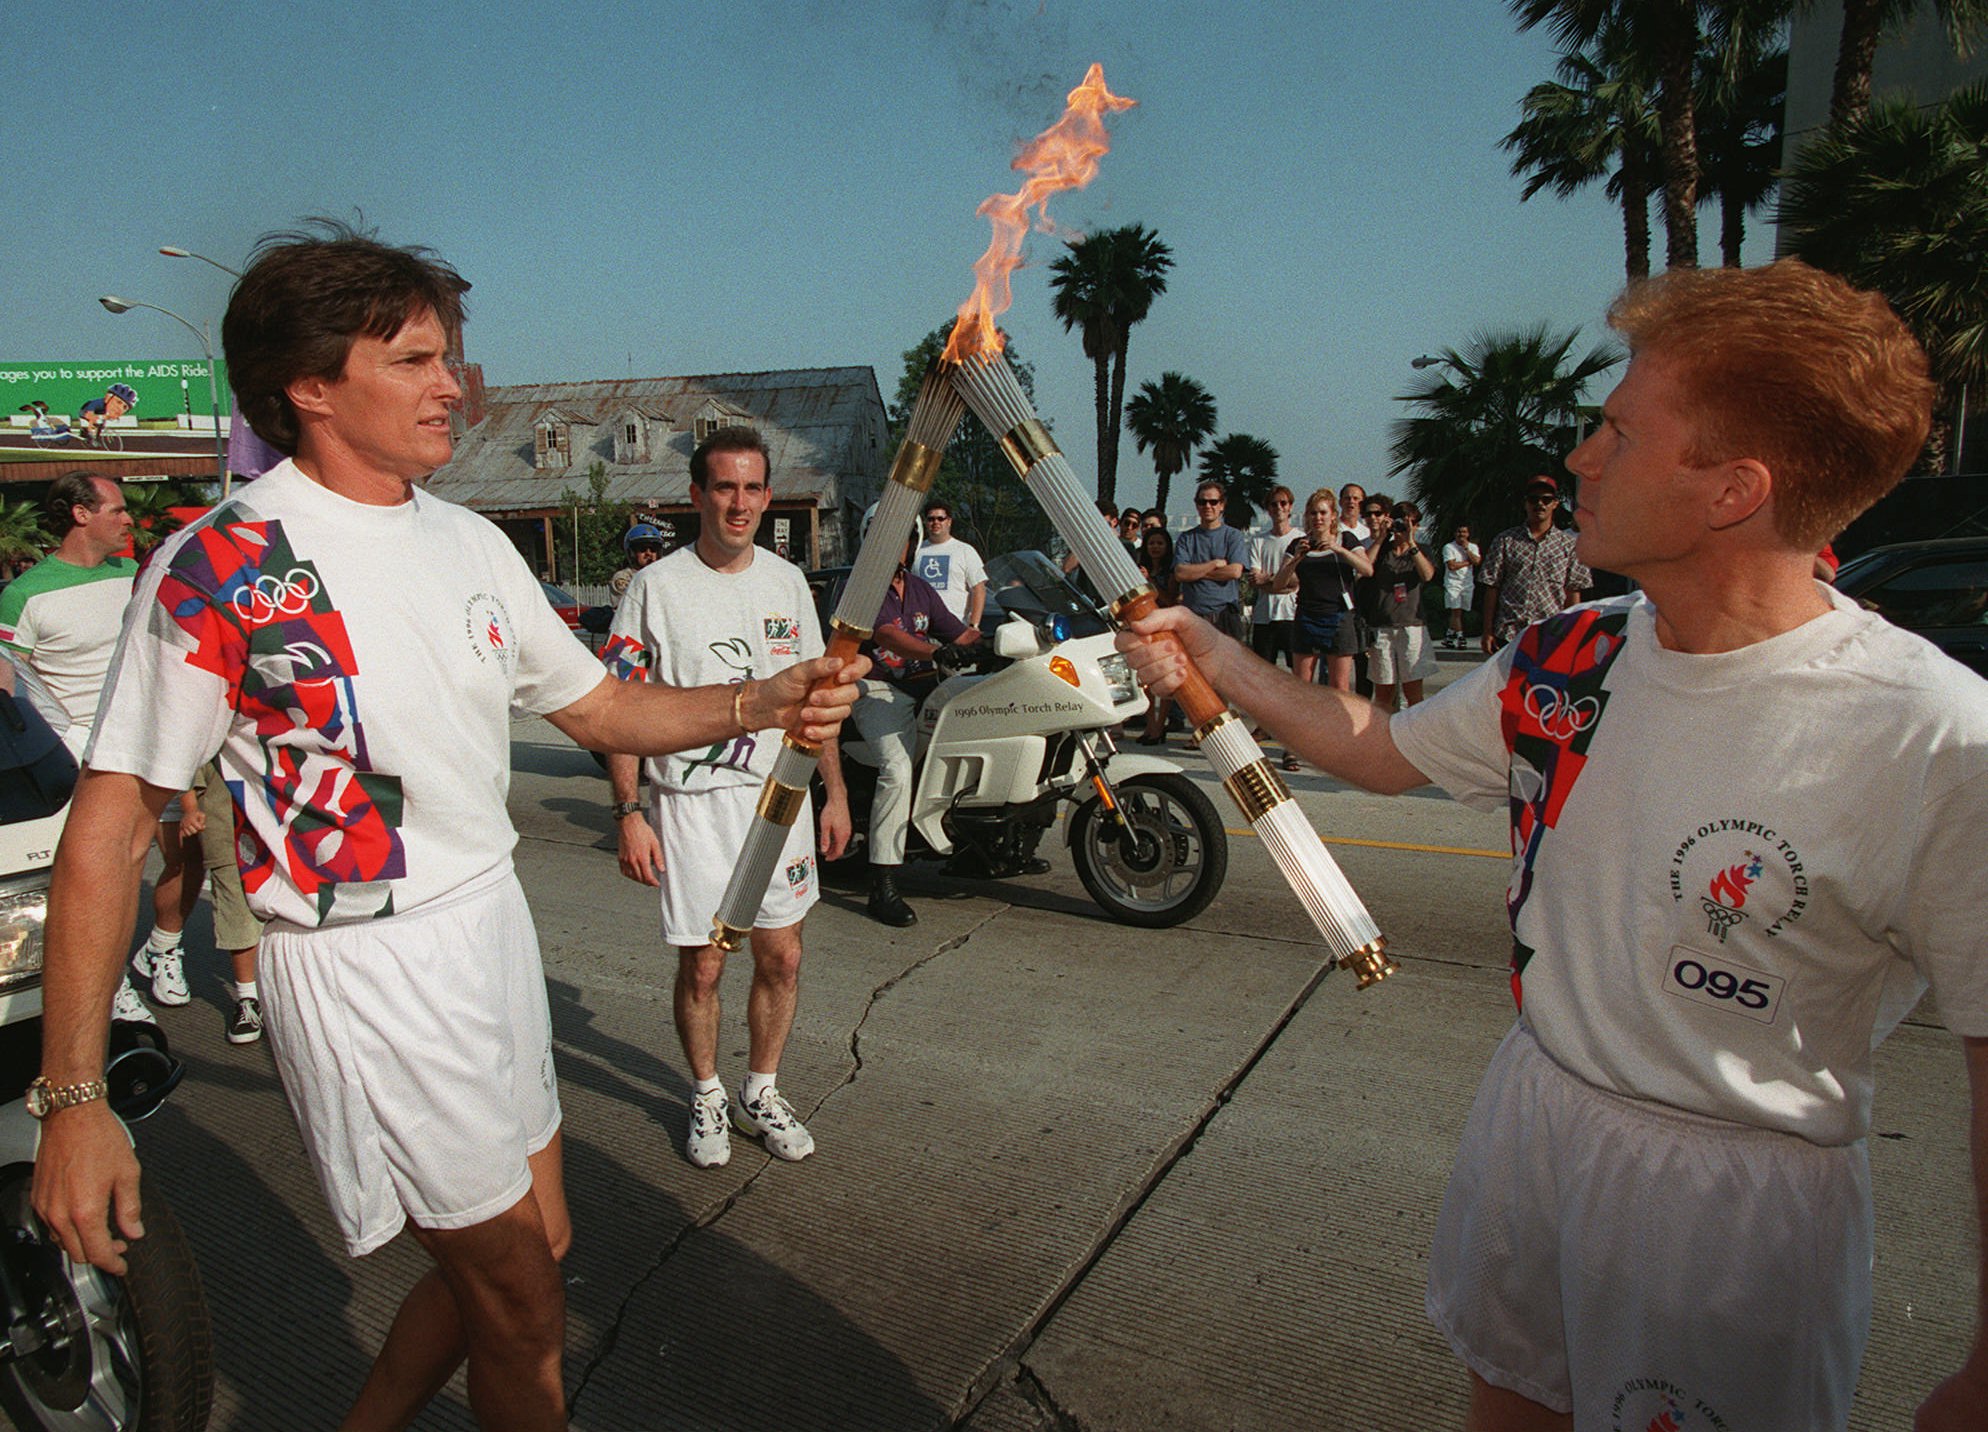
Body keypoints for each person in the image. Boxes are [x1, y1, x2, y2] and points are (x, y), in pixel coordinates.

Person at [1114, 259, 1986, 1432]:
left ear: (1733, 489)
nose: (1578, 457)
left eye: (1618, 432)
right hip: (1537, 1111)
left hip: (1729, 1195)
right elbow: (1385, 749)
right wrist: (1218, 659)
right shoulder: (1571, 653)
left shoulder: (1931, 736)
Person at [27, 222, 863, 1432]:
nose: (452, 387)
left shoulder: (468, 540)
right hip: (362, 963)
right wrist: (74, 1096)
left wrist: (760, 700)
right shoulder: (222, 567)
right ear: (310, 387)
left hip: (487, 928)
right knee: (521, 1300)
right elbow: (109, 831)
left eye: (445, 357)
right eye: (413, 361)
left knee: (537, 1251)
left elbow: (600, 705)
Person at [603, 426, 850, 1168]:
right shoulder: (654, 588)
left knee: (783, 957)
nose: (738, 503)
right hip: (692, 804)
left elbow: (819, 701)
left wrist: (835, 793)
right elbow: (617, 705)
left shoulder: (788, 583)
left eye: (751, 488)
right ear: (697, 495)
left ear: (767, 497)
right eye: (723, 487)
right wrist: (629, 811)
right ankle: (707, 1093)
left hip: (781, 797)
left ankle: (760, 1090)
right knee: (705, 967)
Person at [0, 473, 185, 1022]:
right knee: (101, 875)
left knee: (185, 853)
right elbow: (10, 685)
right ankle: (111, 979)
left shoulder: (133, 575)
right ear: (81, 514)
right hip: (77, 753)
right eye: (117, 510)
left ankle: (163, 949)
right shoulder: (22, 594)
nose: (128, 519)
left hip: (150, 736)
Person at [850, 541, 979, 926]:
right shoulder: (863, 586)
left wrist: (999, 642)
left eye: (902, 535)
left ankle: (974, 846)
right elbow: (886, 635)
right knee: (897, 769)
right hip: (876, 688)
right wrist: (934, 652)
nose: (895, 543)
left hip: (924, 686)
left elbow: (958, 634)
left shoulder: (920, 587)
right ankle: (883, 884)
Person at [1273, 488, 1372, 706]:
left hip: (1339, 616)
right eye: (1313, 513)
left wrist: (1339, 550)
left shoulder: (1346, 539)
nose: (1318, 518)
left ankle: (1338, 726)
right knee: (1302, 686)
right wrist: (1296, 559)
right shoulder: (1298, 544)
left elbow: (1367, 569)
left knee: (1339, 687)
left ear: (1333, 516)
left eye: (1323, 513)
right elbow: (1279, 583)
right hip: (1307, 617)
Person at [1478, 475, 1591, 653]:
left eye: (1546, 499)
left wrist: (1571, 634)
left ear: (1555, 504)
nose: (1540, 504)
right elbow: (1492, 587)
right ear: (1525, 503)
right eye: (1534, 499)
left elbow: (1573, 592)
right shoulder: (1505, 541)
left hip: (1551, 633)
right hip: (1509, 633)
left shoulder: (1570, 546)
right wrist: (1487, 631)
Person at [1363, 500, 1439, 710]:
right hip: (1382, 626)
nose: (1404, 528)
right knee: (1383, 695)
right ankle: (1383, 729)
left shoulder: (1422, 550)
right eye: (1401, 523)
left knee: (1413, 693)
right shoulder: (1382, 550)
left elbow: (1427, 575)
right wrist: (1382, 537)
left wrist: (1411, 543)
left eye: (1409, 524)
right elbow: (1364, 567)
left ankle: (1413, 729)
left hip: (1412, 626)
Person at [1173, 480, 1249, 643]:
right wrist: (1213, 564)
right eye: (1202, 502)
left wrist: (1195, 573)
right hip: (1194, 616)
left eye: (1213, 502)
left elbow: (1235, 571)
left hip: (1225, 616)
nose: (1208, 506)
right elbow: (1180, 573)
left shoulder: (1233, 536)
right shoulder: (1186, 538)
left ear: (1222, 505)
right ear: (1197, 505)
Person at [1247, 486, 1299, 678]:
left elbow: (1297, 581)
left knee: (1298, 673)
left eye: (1283, 503)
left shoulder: (1300, 539)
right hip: (1264, 616)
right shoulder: (1258, 540)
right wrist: (1284, 582)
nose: (1279, 508)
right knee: (1264, 675)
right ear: (1268, 509)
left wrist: (1269, 578)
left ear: (1290, 507)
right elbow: (1255, 579)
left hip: (1292, 614)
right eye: (1273, 504)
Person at [1134, 525, 1179, 745]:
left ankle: (1160, 725)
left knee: (1166, 678)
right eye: (1151, 543)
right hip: (1145, 625)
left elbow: (1170, 599)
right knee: (1147, 679)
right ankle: (1150, 724)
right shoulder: (1138, 568)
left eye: (1160, 543)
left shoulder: (1171, 571)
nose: (1155, 547)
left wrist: (1150, 581)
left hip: (1165, 625)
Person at [913, 498, 988, 627]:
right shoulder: (916, 551)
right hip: (921, 626)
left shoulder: (965, 550)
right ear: (925, 522)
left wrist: (974, 625)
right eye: (931, 519)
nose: (936, 522)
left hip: (955, 626)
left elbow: (979, 590)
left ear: (949, 521)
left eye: (940, 518)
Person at [1440, 523, 1481, 649]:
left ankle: (1449, 635)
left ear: (1468, 534)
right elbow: (1452, 566)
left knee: (1459, 612)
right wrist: (1468, 562)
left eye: (1464, 532)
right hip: (1453, 583)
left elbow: (1477, 561)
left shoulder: (1473, 547)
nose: (1461, 535)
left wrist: (1466, 549)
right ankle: (1460, 637)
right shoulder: (1449, 547)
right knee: (1456, 611)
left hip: (1467, 583)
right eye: (1459, 532)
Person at [608, 522, 664, 609]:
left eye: (653, 549)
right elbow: (629, 609)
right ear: (632, 553)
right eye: (642, 549)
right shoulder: (623, 578)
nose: (648, 553)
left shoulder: (664, 575)